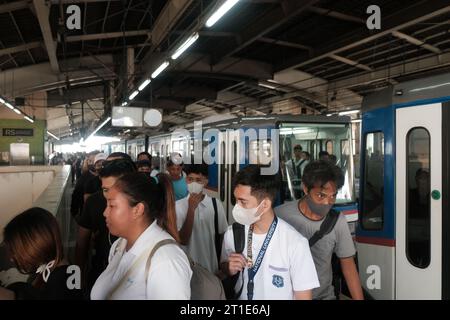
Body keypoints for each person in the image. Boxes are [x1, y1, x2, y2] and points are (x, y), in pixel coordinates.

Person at [220, 165, 319, 300]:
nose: (237, 207)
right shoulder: (232, 234)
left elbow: (304, 297)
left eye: (243, 202)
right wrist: (228, 268)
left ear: (265, 205)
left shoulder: (295, 243)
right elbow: (222, 271)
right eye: (236, 200)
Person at [90, 172, 192, 300]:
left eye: (112, 205)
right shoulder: (119, 246)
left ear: (137, 210)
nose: (105, 213)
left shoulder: (166, 261)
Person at [275, 160, 363, 300]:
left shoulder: (337, 221)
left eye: (333, 196)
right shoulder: (280, 215)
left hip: (323, 296)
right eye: (321, 195)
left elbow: (348, 266)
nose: (327, 202)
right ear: (305, 189)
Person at [75, 153, 136, 296]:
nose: (106, 213)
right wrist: (77, 279)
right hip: (101, 267)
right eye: (105, 190)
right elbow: (81, 244)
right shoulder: (94, 202)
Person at [0, 208, 82, 300]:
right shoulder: (68, 269)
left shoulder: (59, 283)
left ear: (33, 246)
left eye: (14, 250)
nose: (11, 258)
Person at [176, 163, 228, 274]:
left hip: (211, 268)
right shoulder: (178, 206)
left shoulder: (215, 204)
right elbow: (183, 240)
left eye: (198, 180)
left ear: (206, 182)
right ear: (186, 181)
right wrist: (191, 209)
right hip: (187, 269)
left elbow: (222, 236)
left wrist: (223, 264)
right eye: (190, 179)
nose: (194, 183)